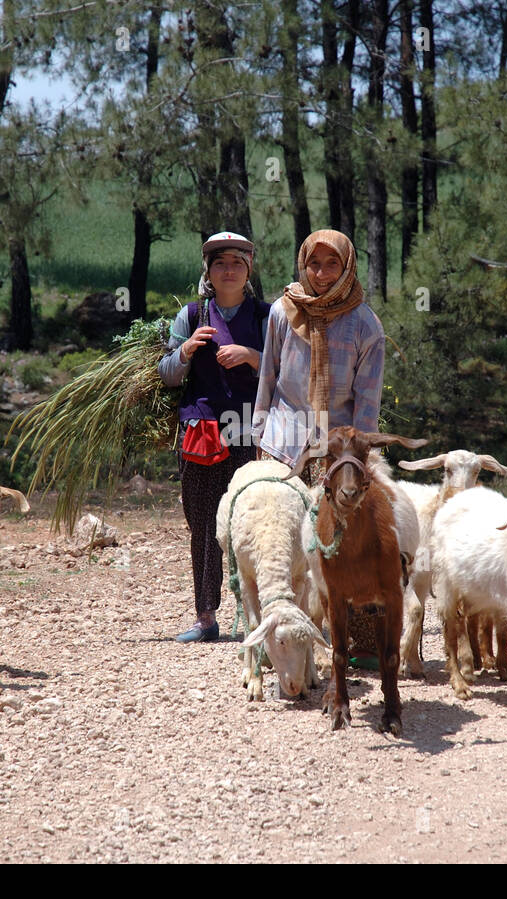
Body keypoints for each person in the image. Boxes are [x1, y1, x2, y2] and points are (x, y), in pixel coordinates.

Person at [158, 231, 269, 643]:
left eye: (236, 263)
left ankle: (257, 613)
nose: (228, 270)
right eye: (220, 263)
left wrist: (251, 356)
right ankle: (206, 617)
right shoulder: (191, 316)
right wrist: (185, 350)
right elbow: (165, 374)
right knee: (203, 523)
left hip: (251, 432)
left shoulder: (266, 316)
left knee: (256, 523)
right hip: (201, 433)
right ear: (208, 270)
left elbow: (288, 370)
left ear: (248, 269)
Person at [252, 229, 385, 471]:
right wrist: (258, 433)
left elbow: (367, 401)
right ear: (303, 264)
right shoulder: (284, 311)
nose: (322, 274)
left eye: (332, 263)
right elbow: (268, 376)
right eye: (314, 263)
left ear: (347, 266)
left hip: (334, 454)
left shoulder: (366, 325)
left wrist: (363, 457)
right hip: (280, 442)